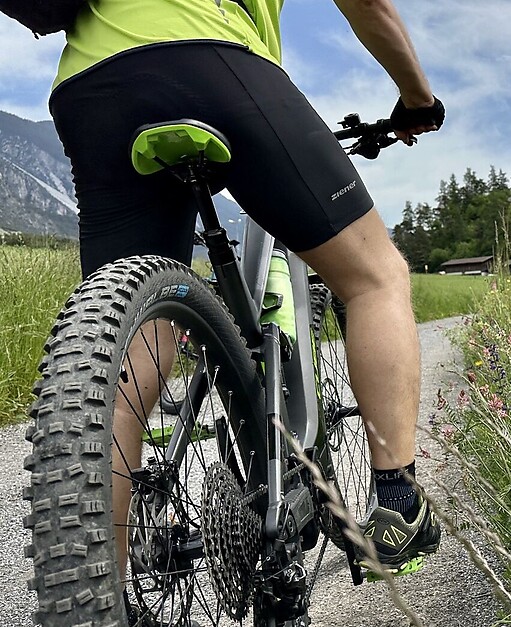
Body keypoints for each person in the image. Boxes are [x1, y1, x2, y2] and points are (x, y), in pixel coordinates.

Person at [44, 0, 443, 619]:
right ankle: (400, 499)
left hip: (92, 84)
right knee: (376, 277)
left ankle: (98, 595)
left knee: (130, 352)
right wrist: (417, 97)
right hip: (211, 60)